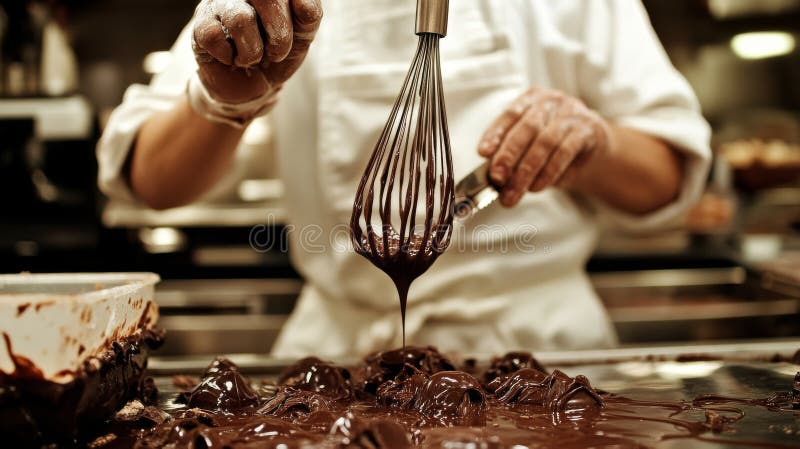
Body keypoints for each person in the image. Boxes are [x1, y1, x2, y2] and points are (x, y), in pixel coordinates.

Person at [97, 0, 711, 358]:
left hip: (543, 349)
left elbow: (669, 179)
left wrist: (595, 147)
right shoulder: (269, 3)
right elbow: (149, 180)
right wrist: (222, 100)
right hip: (341, 357)